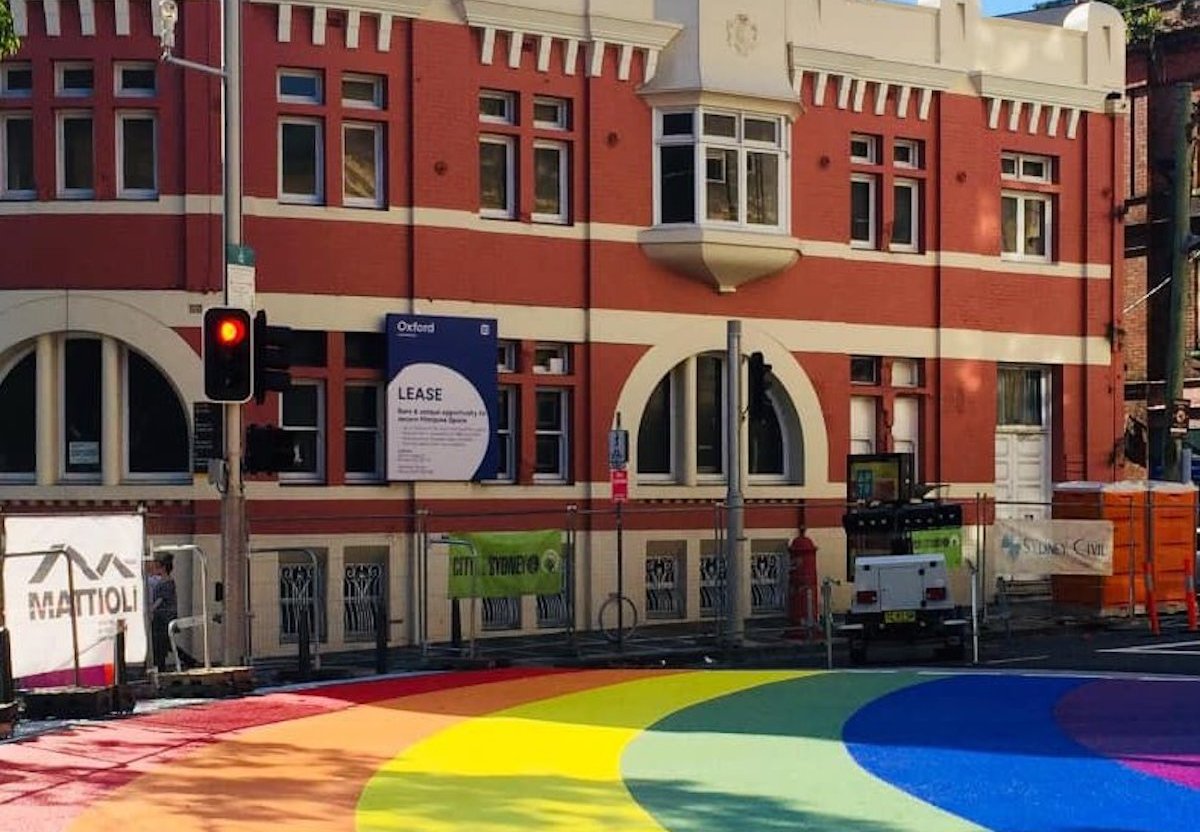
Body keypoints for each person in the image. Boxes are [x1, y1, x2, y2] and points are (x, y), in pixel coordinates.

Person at [149, 552, 198, 672]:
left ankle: (161, 666)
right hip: (163, 616)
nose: (154, 569)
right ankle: (188, 660)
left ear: (163, 568)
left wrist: (150, 610)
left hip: (163, 617)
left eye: (156, 566)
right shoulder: (164, 582)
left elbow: (160, 600)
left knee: (161, 642)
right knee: (166, 643)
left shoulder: (166, 583)